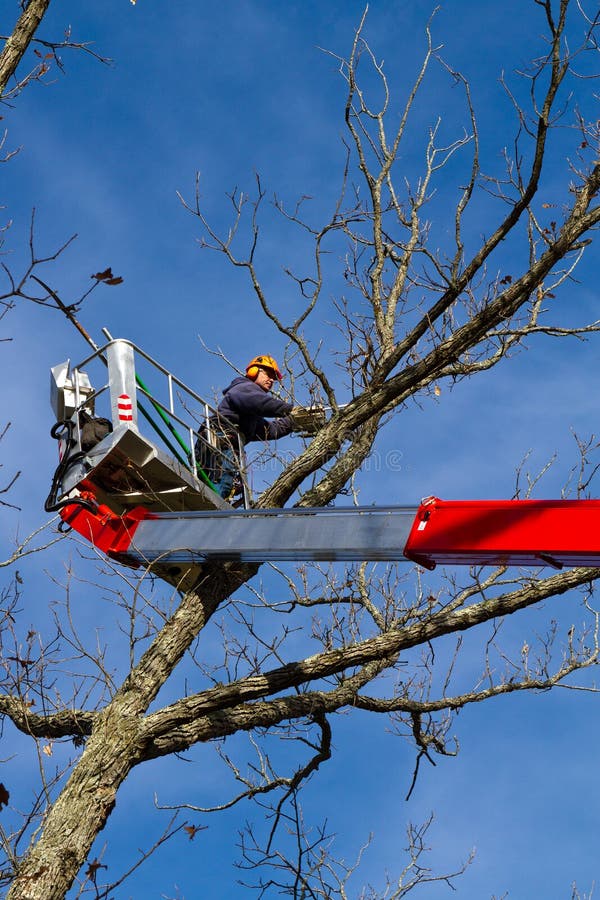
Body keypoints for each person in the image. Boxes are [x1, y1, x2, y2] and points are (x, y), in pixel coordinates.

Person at [202, 355, 295, 500]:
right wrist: (291, 410)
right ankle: (212, 511)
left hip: (225, 444)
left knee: (220, 486)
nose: (271, 380)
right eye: (268, 374)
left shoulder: (249, 415)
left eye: (274, 378)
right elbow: (261, 403)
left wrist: (294, 421)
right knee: (221, 484)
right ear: (254, 371)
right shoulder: (244, 388)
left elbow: (270, 430)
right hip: (220, 440)